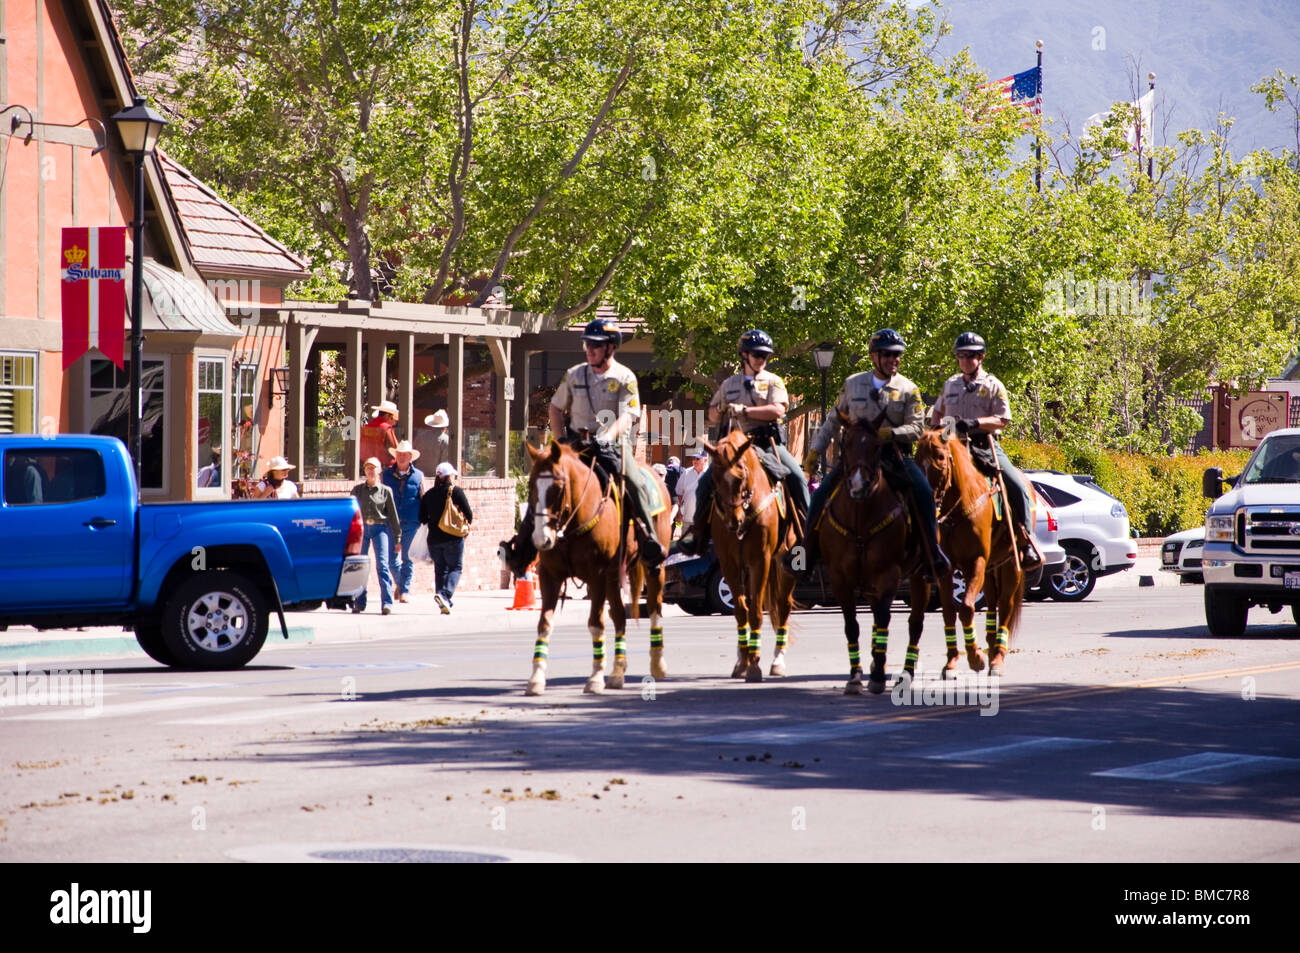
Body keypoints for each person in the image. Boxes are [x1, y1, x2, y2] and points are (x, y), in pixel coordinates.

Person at [787, 328, 950, 580]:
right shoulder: (853, 384)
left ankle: (932, 553)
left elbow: (917, 428)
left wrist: (889, 434)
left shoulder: (909, 389)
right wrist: (812, 454)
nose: (894, 359)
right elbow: (832, 422)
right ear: (874, 356)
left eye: (897, 355)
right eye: (888, 354)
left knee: (924, 494)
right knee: (820, 495)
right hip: (856, 458)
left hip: (895, 457)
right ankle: (805, 553)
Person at [547, 317, 668, 565]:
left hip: (613, 445)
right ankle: (528, 542)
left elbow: (629, 414)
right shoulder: (573, 375)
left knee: (634, 481)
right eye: (587, 344)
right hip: (576, 445)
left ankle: (649, 537)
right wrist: (560, 440)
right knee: (545, 479)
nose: (589, 349)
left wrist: (607, 436)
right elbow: (555, 408)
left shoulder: (625, 377)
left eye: (596, 345)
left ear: (611, 347)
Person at [677, 329, 810, 556]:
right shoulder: (729, 384)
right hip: (735, 448)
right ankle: (697, 534)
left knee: (797, 476)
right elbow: (711, 415)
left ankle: (809, 535)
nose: (761, 359)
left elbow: (778, 409)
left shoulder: (773, 381)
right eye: (757, 355)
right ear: (744, 355)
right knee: (705, 482)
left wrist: (745, 410)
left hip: (766, 443)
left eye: (765, 356)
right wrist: (720, 409)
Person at [930, 331, 1042, 569]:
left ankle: (1026, 541)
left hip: (984, 445)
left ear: (980, 358)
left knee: (1016, 484)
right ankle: (925, 545)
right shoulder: (950, 384)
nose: (965, 360)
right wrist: (940, 430)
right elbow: (937, 412)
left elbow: (1003, 420)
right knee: (927, 481)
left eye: (970, 356)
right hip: (954, 446)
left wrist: (976, 423)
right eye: (961, 356)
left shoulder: (993, 385)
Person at [419, 461, 474, 614]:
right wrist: (466, 528)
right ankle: (445, 594)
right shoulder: (455, 492)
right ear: (450, 477)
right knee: (456, 567)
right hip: (453, 538)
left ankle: (443, 602)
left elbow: (422, 518)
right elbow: (468, 514)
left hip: (434, 540)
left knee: (440, 569)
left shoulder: (428, 494)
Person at [351, 457, 401, 615]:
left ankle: (387, 603)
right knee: (360, 566)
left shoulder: (386, 491)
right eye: (368, 468)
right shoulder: (357, 490)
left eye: (374, 468)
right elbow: (350, 512)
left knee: (382, 565)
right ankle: (359, 602)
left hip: (380, 528)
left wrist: (398, 538)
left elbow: (393, 516)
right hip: (362, 529)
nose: (371, 471)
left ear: (380, 470)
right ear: (364, 471)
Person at [382, 439, 425, 603]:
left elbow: (423, 497)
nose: (401, 457)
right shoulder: (385, 475)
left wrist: (424, 520)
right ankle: (401, 584)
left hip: (411, 522)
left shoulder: (418, 476)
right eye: (399, 454)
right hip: (391, 523)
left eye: (404, 455)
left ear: (410, 457)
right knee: (391, 559)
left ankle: (404, 591)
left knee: (408, 558)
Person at [673, 446, 708, 542]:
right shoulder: (686, 473)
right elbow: (679, 493)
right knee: (685, 548)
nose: (694, 461)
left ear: (705, 460)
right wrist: (679, 511)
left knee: (702, 548)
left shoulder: (710, 474)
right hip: (687, 520)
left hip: (704, 521)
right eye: (693, 458)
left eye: (698, 458)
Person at [359, 400, 400, 466]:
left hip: (367, 466)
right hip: (385, 467)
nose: (395, 422)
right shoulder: (386, 428)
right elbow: (396, 449)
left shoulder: (366, 427)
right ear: (387, 416)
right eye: (393, 418)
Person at [413, 409, 452, 473]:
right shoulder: (446, 440)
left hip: (418, 474)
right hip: (435, 476)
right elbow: (444, 463)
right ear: (445, 427)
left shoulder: (420, 437)